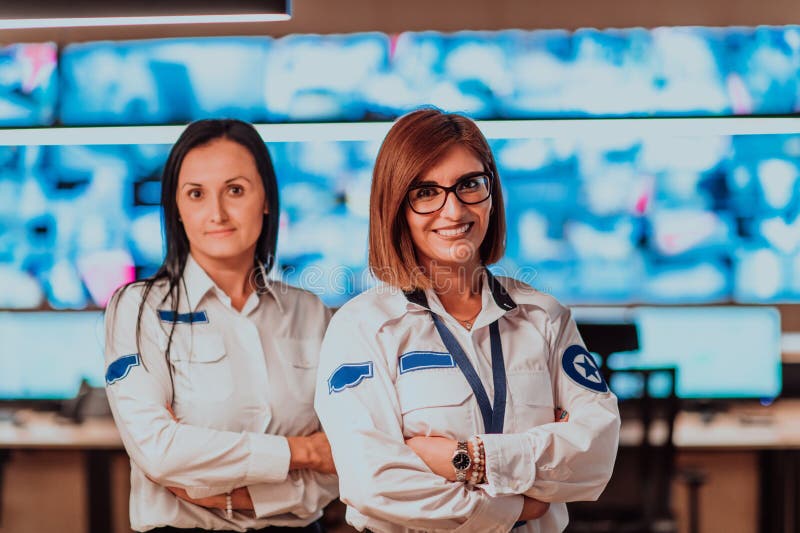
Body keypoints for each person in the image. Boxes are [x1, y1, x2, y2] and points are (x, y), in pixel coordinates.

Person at [314, 109, 620, 532]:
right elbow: (375, 484)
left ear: (491, 192)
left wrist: (466, 458)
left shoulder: (544, 317)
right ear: (395, 206)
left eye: (469, 185)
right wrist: (515, 505)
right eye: (426, 192)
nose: (454, 210)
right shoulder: (364, 327)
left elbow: (595, 453)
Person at [104, 119, 338, 532]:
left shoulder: (311, 314)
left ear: (266, 198)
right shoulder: (137, 309)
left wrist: (242, 497)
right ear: (176, 207)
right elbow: (160, 450)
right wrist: (301, 452)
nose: (217, 213)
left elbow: (341, 461)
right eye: (196, 194)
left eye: (235, 190)